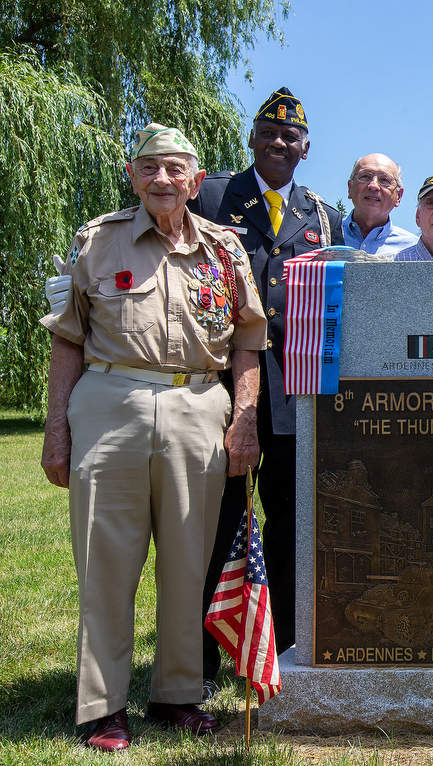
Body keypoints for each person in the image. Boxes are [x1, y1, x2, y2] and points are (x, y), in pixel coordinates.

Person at [39, 124, 266, 750]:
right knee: (106, 559)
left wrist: (244, 418)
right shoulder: (99, 242)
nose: (162, 180)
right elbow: (68, 340)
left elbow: (247, 341)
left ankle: (176, 694)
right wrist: (56, 430)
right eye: (149, 169)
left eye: (175, 170)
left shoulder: (224, 249)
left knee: (190, 560)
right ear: (133, 177)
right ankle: (103, 705)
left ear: (195, 182)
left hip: (198, 406)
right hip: (111, 403)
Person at [188, 87, 345, 695]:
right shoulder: (211, 195)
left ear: (306, 149)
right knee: (216, 526)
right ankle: (198, 663)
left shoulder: (319, 212)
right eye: (269, 133)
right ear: (252, 137)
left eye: (292, 137)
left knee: (288, 527)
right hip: (222, 382)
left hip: (293, 393)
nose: (279, 143)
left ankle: (275, 654)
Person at [342, 153, 418, 256]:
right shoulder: (323, 236)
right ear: (350, 188)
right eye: (365, 176)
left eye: (384, 180)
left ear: (398, 196)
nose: (373, 186)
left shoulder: (414, 249)